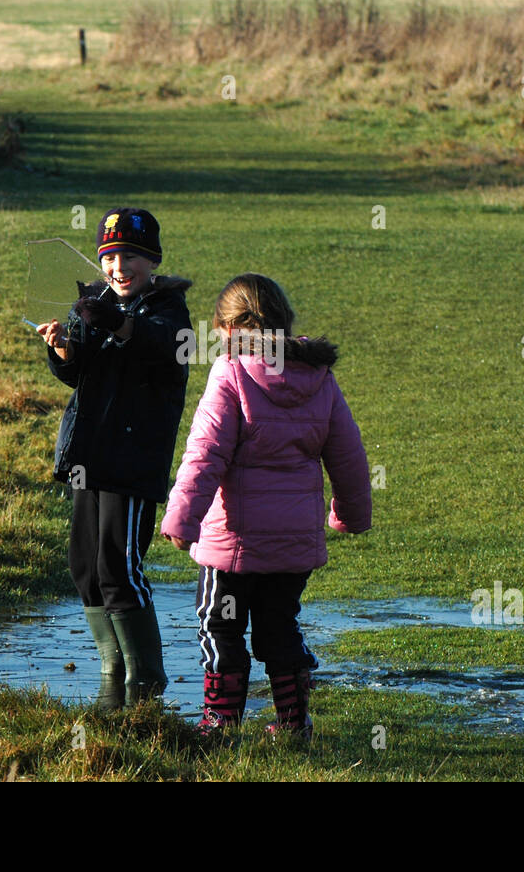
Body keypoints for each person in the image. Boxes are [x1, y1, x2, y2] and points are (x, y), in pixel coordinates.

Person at [160, 273, 371, 739]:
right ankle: (294, 724)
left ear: (232, 329)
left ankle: (220, 722)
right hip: (293, 545)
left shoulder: (231, 373)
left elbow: (205, 453)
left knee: (220, 625)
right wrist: (352, 514)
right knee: (279, 628)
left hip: (233, 543)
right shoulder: (318, 378)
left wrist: (181, 518)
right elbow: (349, 455)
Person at [37, 208, 192, 709]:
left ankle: (146, 685)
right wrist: (62, 348)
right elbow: (79, 373)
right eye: (110, 257)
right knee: (84, 565)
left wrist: (118, 322)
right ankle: (113, 672)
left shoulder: (169, 309)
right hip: (90, 456)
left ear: (152, 261)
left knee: (119, 566)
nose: (118, 267)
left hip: (133, 460)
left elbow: (159, 346)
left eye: (130, 257)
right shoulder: (95, 301)